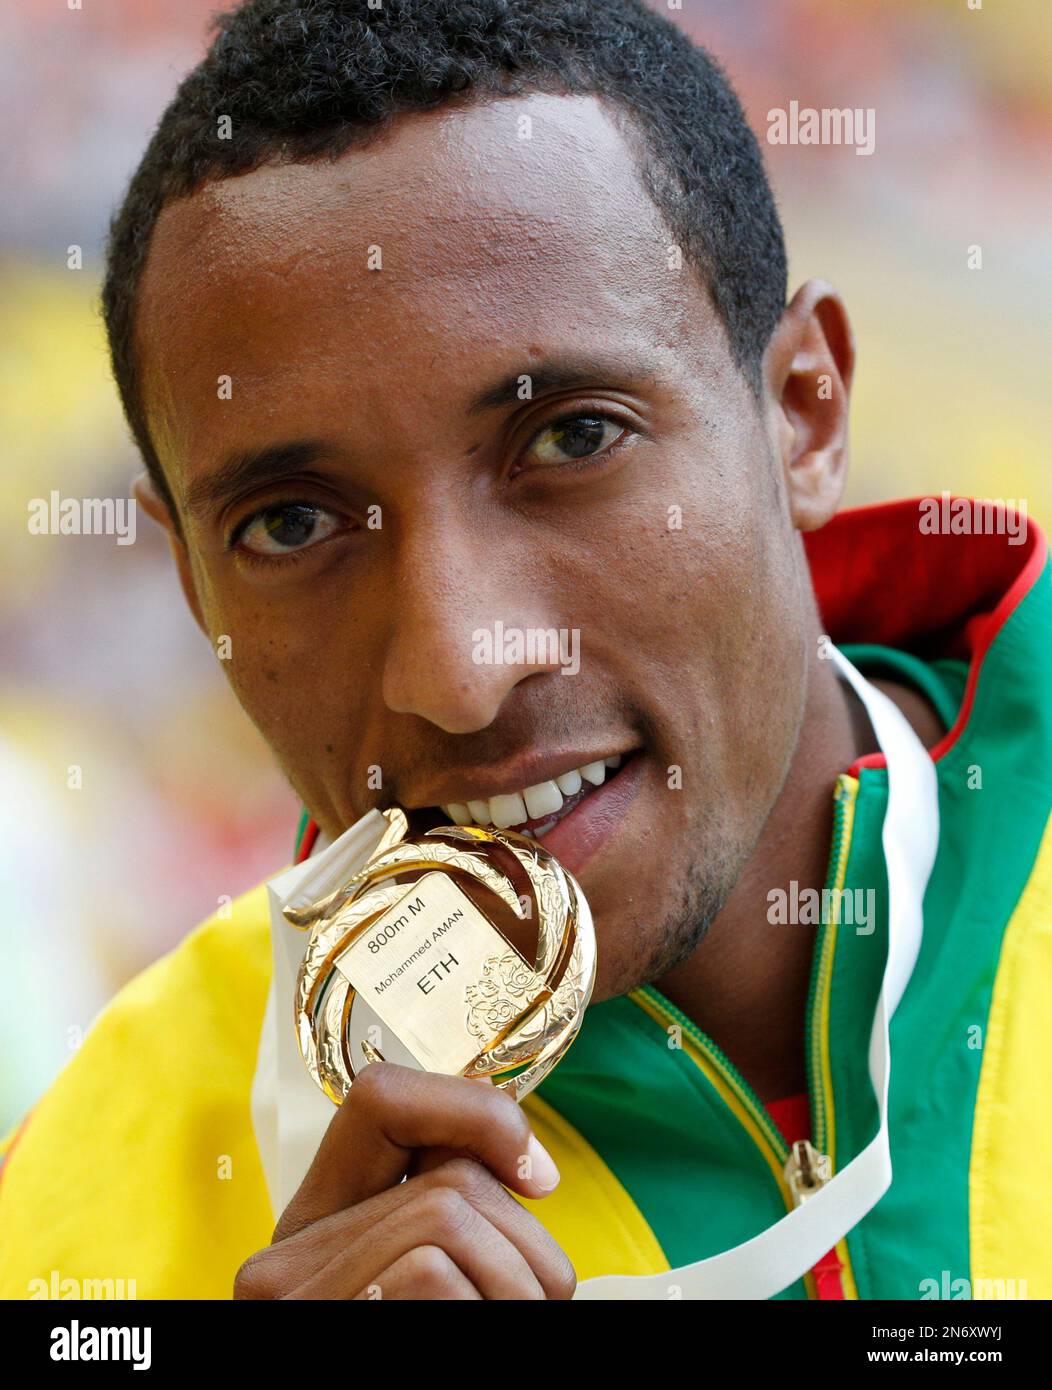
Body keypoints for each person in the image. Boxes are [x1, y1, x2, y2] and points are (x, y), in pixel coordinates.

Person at [2, 0, 1048, 1302]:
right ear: (188, 577)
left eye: (568, 439)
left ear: (803, 412)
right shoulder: (65, 1231)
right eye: (292, 523)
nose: (456, 668)